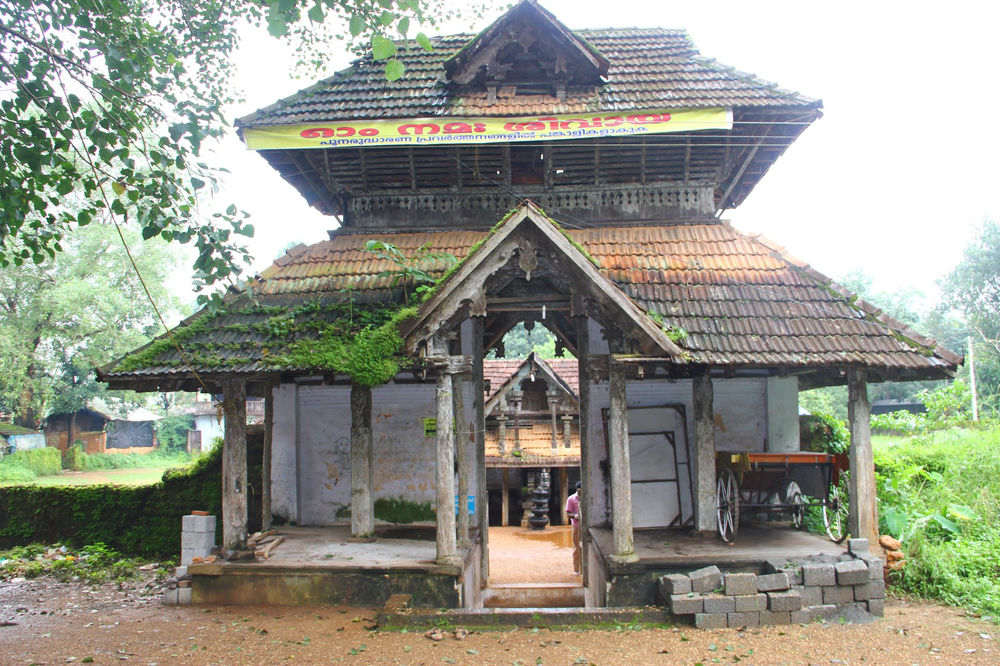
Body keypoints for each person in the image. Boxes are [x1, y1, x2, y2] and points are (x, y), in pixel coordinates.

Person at [565, 480, 582, 575]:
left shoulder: (586, 498)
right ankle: (576, 569)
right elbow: (568, 513)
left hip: (585, 526)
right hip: (576, 526)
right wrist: (574, 516)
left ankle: (584, 569)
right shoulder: (571, 499)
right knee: (576, 548)